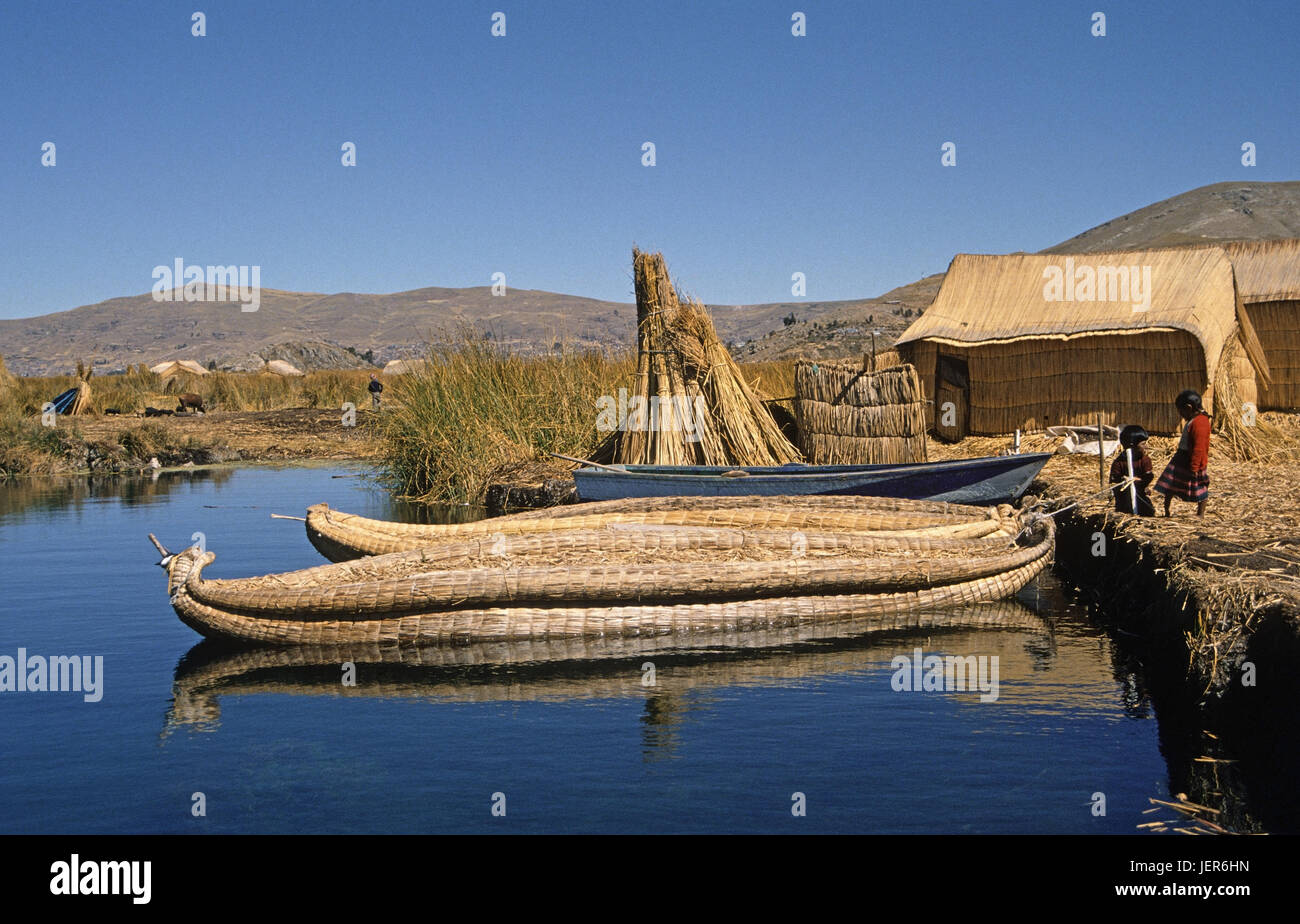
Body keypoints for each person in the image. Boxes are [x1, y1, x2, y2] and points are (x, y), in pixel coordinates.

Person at [1154, 389, 1210, 517]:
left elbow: (1199, 448)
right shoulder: (1194, 419)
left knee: (1199, 487)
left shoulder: (1200, 423)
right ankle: (1167, 511)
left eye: (1181, 411)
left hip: (1191, 460)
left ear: (1188, 408)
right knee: (1170, 484)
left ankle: (1200, 514)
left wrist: (1195, 466)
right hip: (1181, 457)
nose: (1180, 414)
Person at [1110, 425, 1155, 516]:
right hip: (1123, 498)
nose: (1146, 447)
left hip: (1140, 495)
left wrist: (1138, 481)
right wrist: (1124, 480)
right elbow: (1114, 482)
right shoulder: (1119, 463)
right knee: (1123, 511)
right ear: (1131, 446)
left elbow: (1148, 476)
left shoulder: (1145, 460)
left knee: (1149, 511)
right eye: (1143, 444)